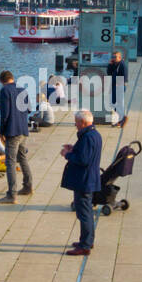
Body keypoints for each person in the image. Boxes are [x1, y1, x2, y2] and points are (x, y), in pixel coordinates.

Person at [61, 110, 102, 257]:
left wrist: (67, 155)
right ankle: (86, 240)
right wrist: (74, 149)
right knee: (86, 212)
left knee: (84, 213)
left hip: (84, 181)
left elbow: (83, 160)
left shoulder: (88, 137)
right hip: (87, 179)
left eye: (76, 122)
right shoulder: (93, 135)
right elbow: (85, 154)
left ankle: (85, 246)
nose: (75, 125)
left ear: (83, 123)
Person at [0, 70, 33, 204]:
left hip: (12, 131)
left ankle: (12, 195)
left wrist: (1, 131)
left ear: (2, 81)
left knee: (10, 162)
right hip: (23, 129)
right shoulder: (22, 89)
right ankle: (28, 187)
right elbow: (29, 109)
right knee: (22, 158)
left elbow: (5, 115)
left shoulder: (4, 91)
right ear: (12, 78)